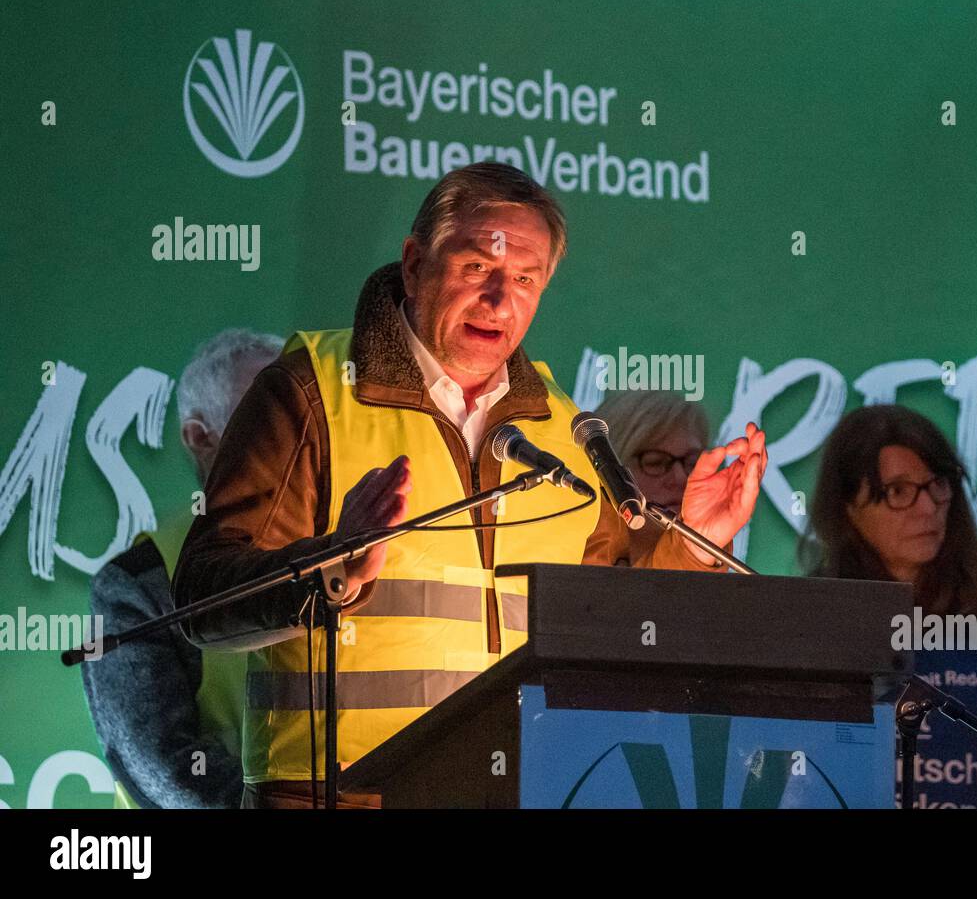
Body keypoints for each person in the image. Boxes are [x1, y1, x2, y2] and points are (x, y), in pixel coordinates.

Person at [173, 162, 768, 808]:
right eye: (477, 268)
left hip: (521, 793)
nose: (499, 300)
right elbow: (204, 605)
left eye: (524, 278)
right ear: (413, 264)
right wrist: (327, 571)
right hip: (338, 797)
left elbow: (615, 625)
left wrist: (697, 544)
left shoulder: (564, 429)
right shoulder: (310, 391)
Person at [801, 404, 977, 808]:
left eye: (938, 485)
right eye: (899, 491)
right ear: (848, 507)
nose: (928, 508)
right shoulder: (815, 622)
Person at [81, 328, 285, 808]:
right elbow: (158, 761)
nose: (289, 430)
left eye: (298, 410)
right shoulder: (137, 582)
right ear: (200, 437)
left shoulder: (349, 547)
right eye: (263, 412)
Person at [594, 390, 710, 566]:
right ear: (608, 473)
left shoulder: (722, 575)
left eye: (692, 463)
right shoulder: (562, 569)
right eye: (655, 462)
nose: (680, 479)